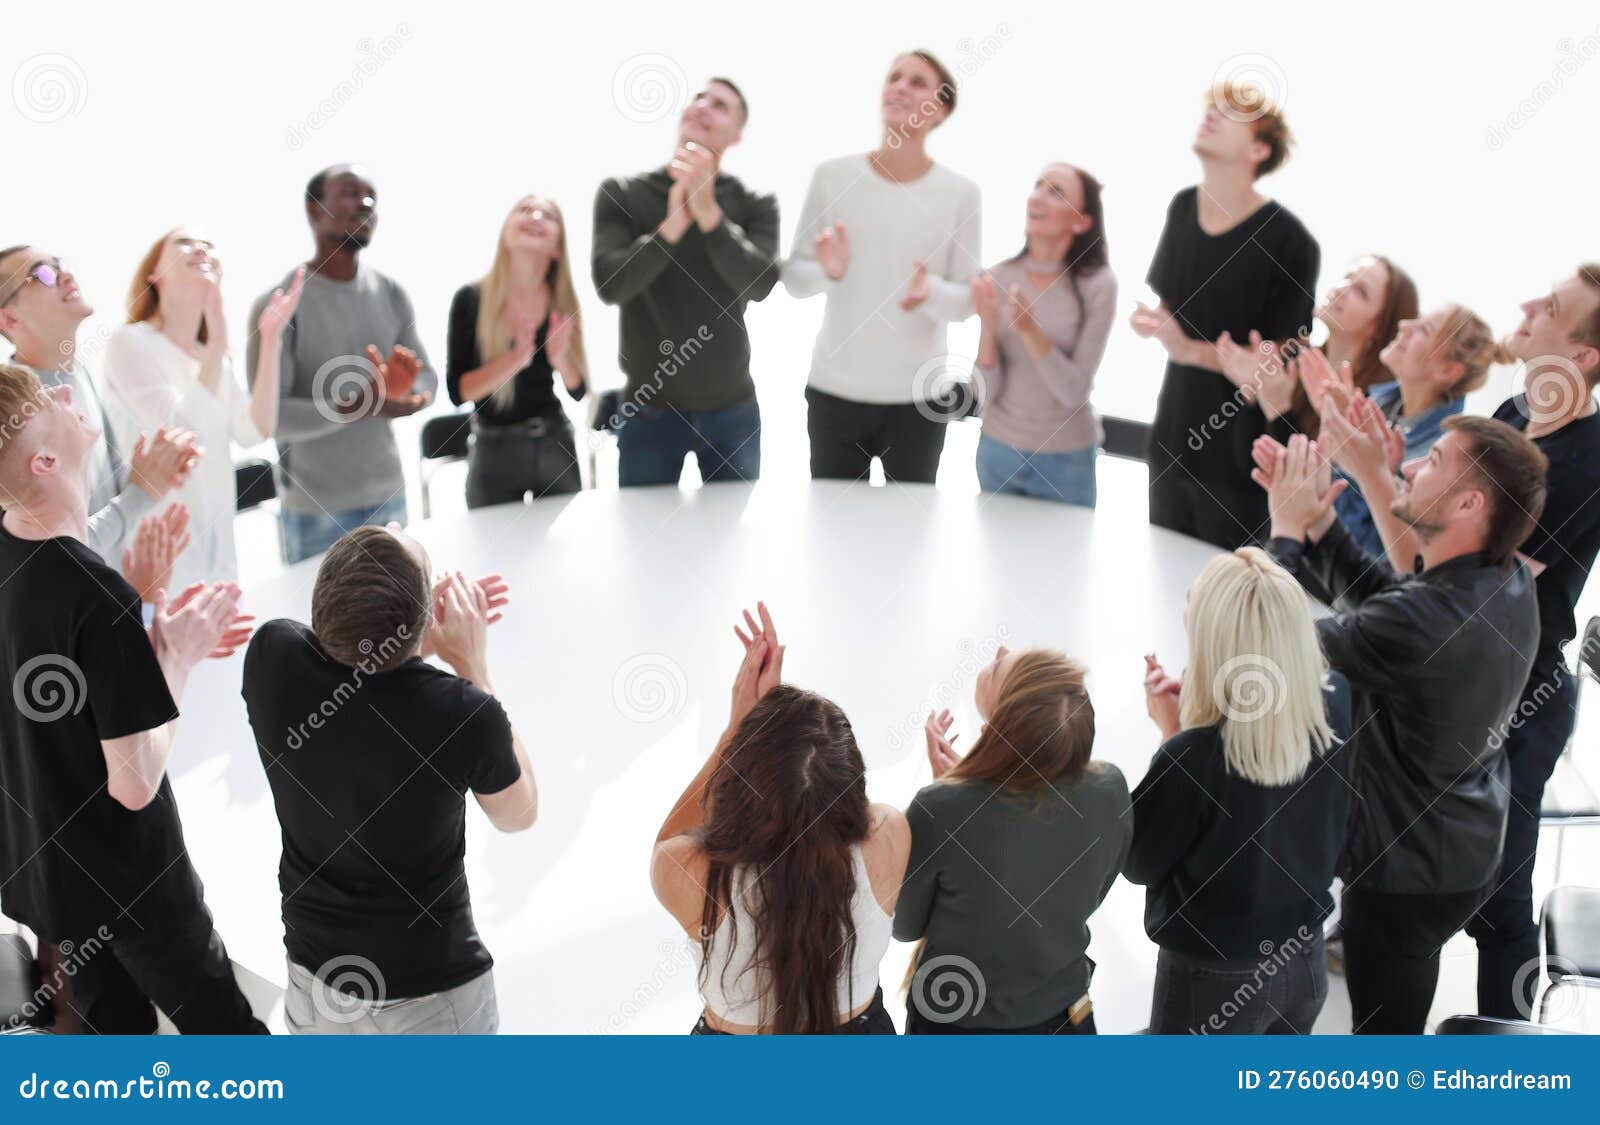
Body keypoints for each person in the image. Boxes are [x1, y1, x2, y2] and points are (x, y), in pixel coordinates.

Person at [1254, 422, 1544, 1033]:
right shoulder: (1506, 578)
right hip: (1464, 844)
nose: (1409, 467)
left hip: (1406, 874)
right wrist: (1321, 529)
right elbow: (1389, 608)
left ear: (1470, 503)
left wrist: (1283, 532)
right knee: (1403, 996)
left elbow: (1268, 642)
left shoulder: (1428, 620)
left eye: (1433, 459)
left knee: (1386, 1037)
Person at [0, 362, 262, 1034]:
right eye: (43, 397)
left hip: (51, 883)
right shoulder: (97, 599)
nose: (64, 389)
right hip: (134, 888)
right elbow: (135, 783)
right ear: (47, 457)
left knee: (117, 1048)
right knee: (228, 1035)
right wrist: (174, 657)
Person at [243, 525, 536, 1034]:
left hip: (317, 982)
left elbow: (351, 664)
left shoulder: (272, 656)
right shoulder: (464, 712)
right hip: (431, 1001)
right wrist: (471, 663)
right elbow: (520, 813)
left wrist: (402, 629)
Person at [650, 604, 911, 1034]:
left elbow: (671, 841)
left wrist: (736, 727)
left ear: (738, 783)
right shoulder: (889, 835)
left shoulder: (689, 872)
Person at [1126, 548, 1352, 1034]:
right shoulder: (1335, 703)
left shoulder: (1191, 758)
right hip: (1304, 960)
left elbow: (1138, 861)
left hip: (1214, 982)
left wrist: (1173, 734)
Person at [1460, 268, 1600, 1020]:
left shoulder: (1589, 458)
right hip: (1458, 669)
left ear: (1580, 357)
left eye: (1549, 309)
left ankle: (1503, 1060)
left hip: (1521, 697)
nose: (1525, 308)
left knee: (1498, 904)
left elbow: (1477, 563)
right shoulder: (1513, 409)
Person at [895, 646, 1129, 1033]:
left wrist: (956, 797)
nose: (1001, 650)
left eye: (1002, 665)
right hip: (1067, 1020)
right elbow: (1087, 890)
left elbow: (906, 927)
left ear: (1007, 720)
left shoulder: (941, 808)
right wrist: (968, 790)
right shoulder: (1110, 787)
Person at [1132, 82, 1319, 548]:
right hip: (1171, 443)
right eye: (1211, 107)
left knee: (1225, 606)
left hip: (1238, 466)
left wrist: (1189, 351)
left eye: (1229, 113)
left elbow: (1275, 371)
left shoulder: (1292, 243)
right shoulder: (1181, 208)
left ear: (1259, 148)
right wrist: (1156, 324)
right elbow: (1173, 312)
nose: (1211, 114)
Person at [785, 50, 981, 484]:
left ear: (940, 108)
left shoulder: (960, 194)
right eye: (894, 77)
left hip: (919, 400)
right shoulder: (831, 177)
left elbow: (967, 301)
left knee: (907, 540)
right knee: (834, 536)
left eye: (916, 81)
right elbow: (795, 281)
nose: (899, 87)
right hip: (834, 393)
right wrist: (828, 272)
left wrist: (929, 292)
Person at [246, 164, 437, 564]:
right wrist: (357, 405)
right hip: (317, 512)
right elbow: (270, 417)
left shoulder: (391, 292)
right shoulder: (279, 306)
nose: (364, 204)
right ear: (314, 210)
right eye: (350, 193)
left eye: (371, 198)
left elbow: (428, 378)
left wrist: (405, 396)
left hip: (391, 501)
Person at [592, 78, 779, 487]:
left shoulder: (756, 203)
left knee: (733, 545)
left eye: (721, 105)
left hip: (734, 411)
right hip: (647, 412)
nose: (703, 107)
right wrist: (673, 225)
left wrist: (710, 214)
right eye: (699, 98)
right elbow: (611, 284)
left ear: (737, 135)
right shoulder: (624, 192)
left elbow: (762, 284)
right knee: (646, 544)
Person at [102, 228, 304, 587]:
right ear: (154, 275)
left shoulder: (214, 360)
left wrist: (271, 341)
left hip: (219, 556)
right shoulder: (129, 343)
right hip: (159, 559)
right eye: (183, 242)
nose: (199, 247)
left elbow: (254, 431)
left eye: (208, 243)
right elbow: (181, 432)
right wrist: (218, 340)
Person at [0, 246, 199, 564]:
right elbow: (57, 552)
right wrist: (142, 493)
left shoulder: (79, 374)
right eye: (43, 273)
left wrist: (156, 471)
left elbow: (110, 496)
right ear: (9, 318)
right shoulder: (14, 416)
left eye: (60, 263)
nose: (65, 274)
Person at [970, 164, 1116, 506]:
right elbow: (982, 393)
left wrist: (1030, 331)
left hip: (1067, 460)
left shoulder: (1098, 285)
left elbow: (1072, 391)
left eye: (1056, 192)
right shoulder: (999, 277)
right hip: (997, 452)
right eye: (1038, 186)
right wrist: (988, 327)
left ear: (1080, 221)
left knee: (1062, 559)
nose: (1038, 197)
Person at [1302, 305, 1495, 559]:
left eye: (1424, 329)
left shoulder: (1438, 456)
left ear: (1447, 370)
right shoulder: (1377, 404)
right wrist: (1334, 425)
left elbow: (1383, 554)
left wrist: (1359, 462)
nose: (1404, 324)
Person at [448, 196, 588, 507]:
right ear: (505, 235)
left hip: (554, 443)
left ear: (556, 249)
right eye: (525, 210)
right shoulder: (470, 299)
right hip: (492, 450)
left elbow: (579, 390)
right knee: (492, 550)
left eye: (548, 215)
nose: (535, 216)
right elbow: (460, 392)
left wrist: (560, 358)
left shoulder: (562, 302)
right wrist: (515, 360)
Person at [1215, 253, 1418, 434]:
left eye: (1361, 291)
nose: (1341, 289)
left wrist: (1279, 405)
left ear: (1378, 327)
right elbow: (1248, 465)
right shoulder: (1294, 359)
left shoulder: (1371, 405)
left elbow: (1315, 474)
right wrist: (1252, 394)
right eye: (1348, 277)